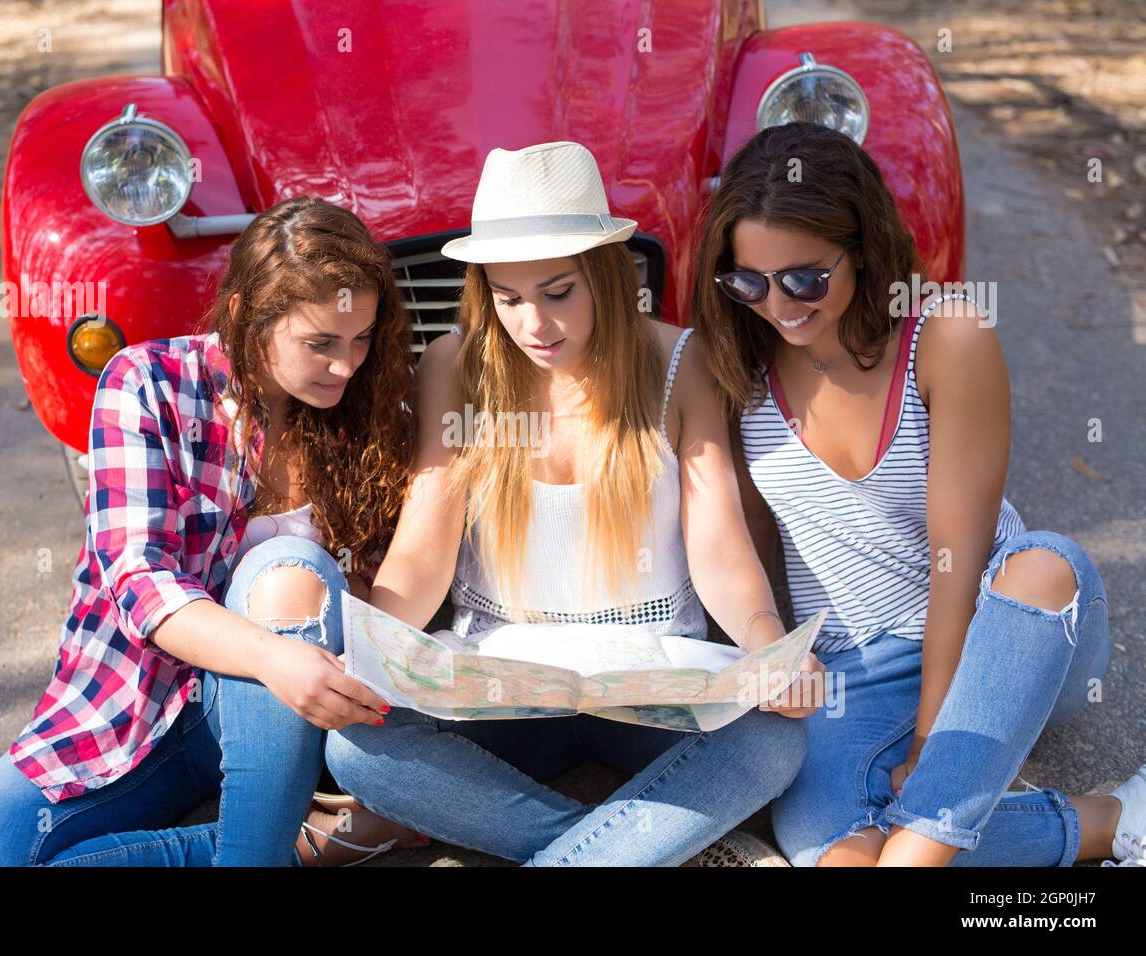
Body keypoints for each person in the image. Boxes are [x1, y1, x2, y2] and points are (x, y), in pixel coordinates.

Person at [324, 141, 820, 866]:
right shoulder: (454, 366)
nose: (534, 324)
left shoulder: (682, 362)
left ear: (608, 278)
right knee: (356, 747)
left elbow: (718, 543)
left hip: (653, 682)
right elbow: (424, 546)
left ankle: (587, 849)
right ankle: (638, 848)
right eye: (509, 297)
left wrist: (767, 646)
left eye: (558, 293)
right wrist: (368, 653)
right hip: (498, 684)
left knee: (775, 741)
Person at [692, 121, 1145, 867]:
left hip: (1001, 637)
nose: (779, 304)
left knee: (1045, 563)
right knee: (830, 851)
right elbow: (748, 544)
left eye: (805, 278)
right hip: (852, 671)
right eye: (749, 281)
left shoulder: (946, 338)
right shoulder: (737, 361)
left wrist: (932, 741)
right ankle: (1106, 822)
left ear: (863, 249)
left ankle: (925, 836)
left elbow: (956, 565)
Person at [0, 197, 429, 866]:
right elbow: (137, 576)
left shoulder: (374, 412)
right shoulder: (147, 384)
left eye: (362, 338)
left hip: (298, 707)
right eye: (320, 344)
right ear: (247, 320)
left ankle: (258, 850)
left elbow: (388, 579)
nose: (346, 366)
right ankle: (314, 841)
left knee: (284, 564)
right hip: (140, 695)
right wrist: (267, 655)